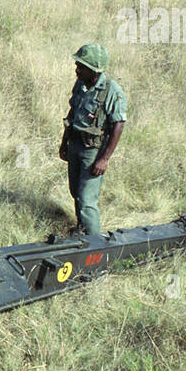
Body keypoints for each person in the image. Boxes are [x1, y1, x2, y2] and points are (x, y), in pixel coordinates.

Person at [58, 42, 126, 235]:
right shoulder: (81, 84)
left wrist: (104, 159)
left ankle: (94, 246)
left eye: (81, 66)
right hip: (75, 145)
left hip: (92, 152)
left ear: (94, 71)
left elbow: (118, 125)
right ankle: (82, 230)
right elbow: (72, 113)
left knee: (87, 200)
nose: (76, 69)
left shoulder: (112, 91)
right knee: (75, 192)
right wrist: (64, 143)